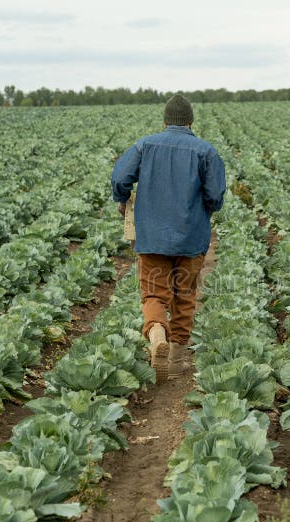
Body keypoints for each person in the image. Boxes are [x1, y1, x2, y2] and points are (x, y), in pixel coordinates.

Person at [111, 94, 226, 383]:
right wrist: (203, 210)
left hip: (152, 237)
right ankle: (175, 358)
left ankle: (157, 332)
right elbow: (215, 195)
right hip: (191, 236)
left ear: (165, 121)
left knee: (153, 293)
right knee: (184, 295)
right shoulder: (206, 151)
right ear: (190, 121)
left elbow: (120, 178)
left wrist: (122, 200)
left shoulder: (145, 145)